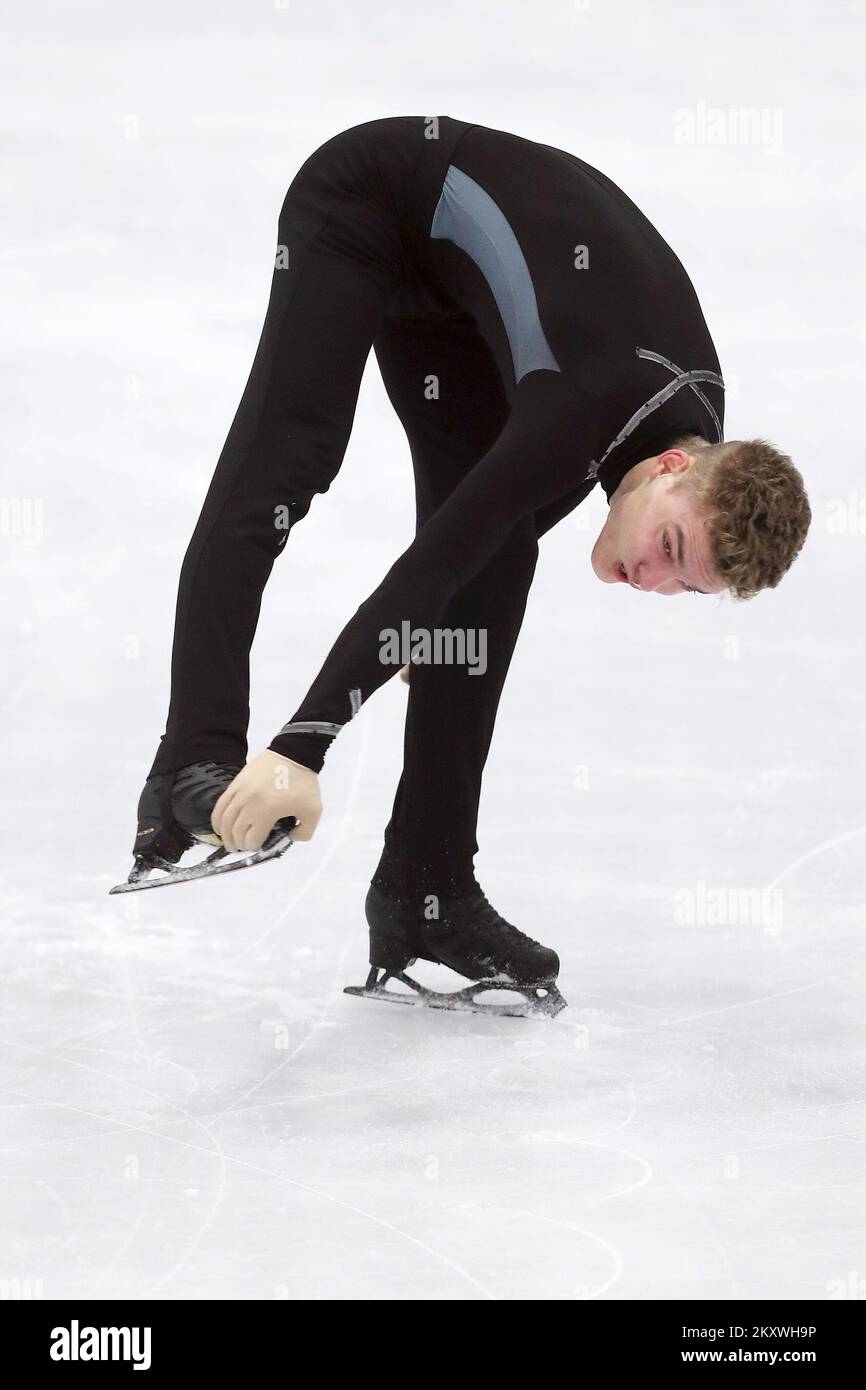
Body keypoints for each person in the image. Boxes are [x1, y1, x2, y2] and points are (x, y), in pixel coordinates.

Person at [124, 115, 811, 1004]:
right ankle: (191, 757)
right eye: (670, 549)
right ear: (672, 467)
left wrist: (437, 626)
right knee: (286, 468)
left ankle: (426, 888)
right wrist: (304, 747)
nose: (654, 578)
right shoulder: (580, 410)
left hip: (464, 308)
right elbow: (434, 566)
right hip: (373, 203)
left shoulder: (692, 452)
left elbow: (471, 557)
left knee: (490, 577)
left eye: (685, 585)